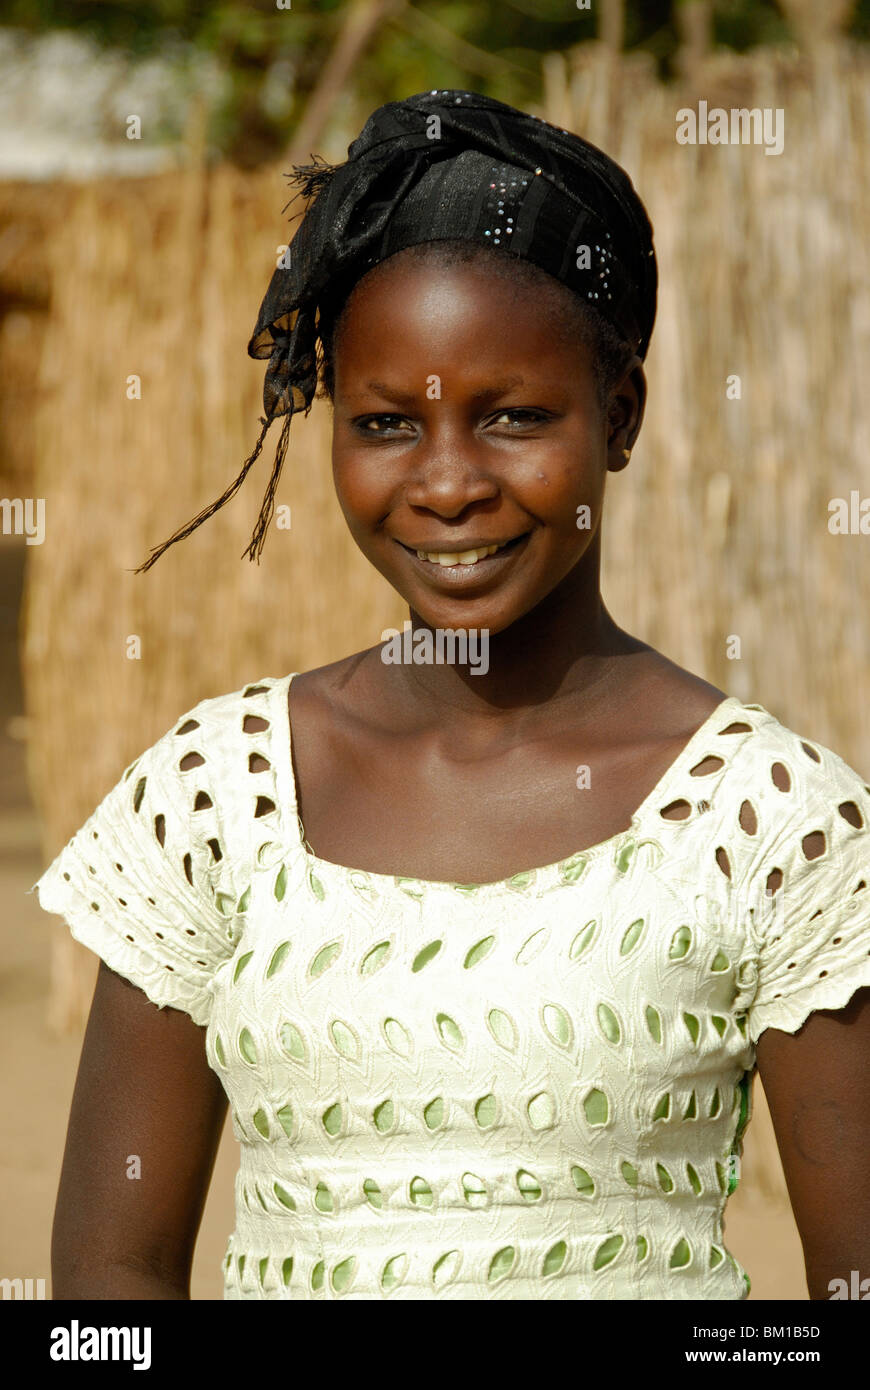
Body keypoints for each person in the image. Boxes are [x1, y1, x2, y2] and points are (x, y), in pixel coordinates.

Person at [32, 90, 870, 1301]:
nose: (446, 483)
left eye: (513, 417)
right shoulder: (217, 798)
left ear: (618, 418)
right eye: (384, 424)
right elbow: (107, 1285)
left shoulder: (772, 824)